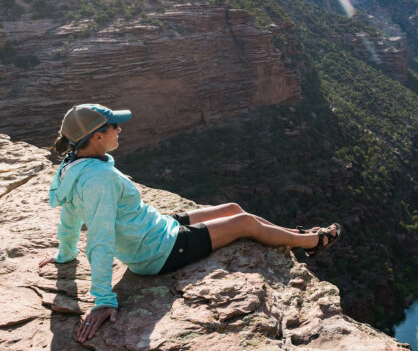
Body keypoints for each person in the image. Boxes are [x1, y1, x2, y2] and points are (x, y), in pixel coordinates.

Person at [39, 103, 341, 343]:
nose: (120, 128)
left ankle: (295, 234)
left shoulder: (73, 167)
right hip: (157, 252)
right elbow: (100, 238)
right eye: (114, 125)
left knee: (234, 208)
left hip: (155, 228)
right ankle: (311, 242)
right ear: (97, 136)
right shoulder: (99, 180)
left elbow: (69, 215)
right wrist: (104, 299)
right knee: (245, 222)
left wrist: (65, 254)